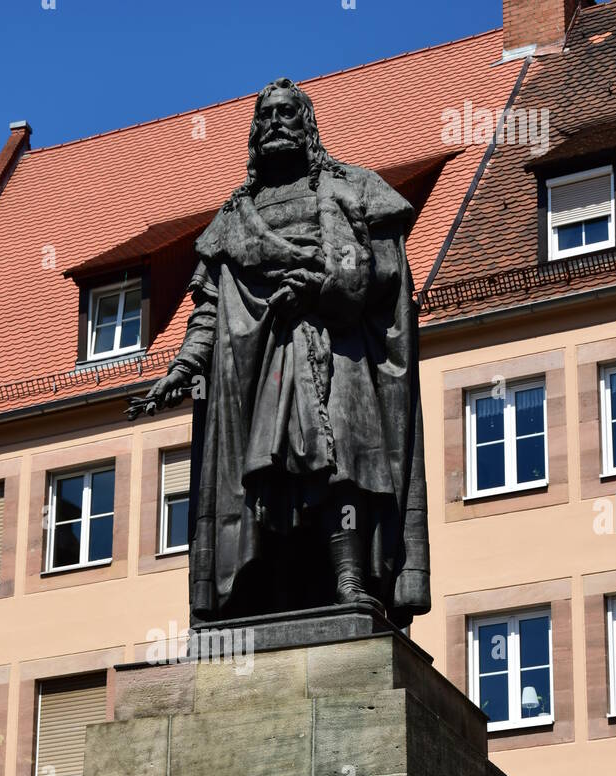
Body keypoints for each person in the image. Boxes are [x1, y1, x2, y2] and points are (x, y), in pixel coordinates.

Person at [131, 77, 430, 626]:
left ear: (308, 124)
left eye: (287, 113)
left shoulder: (354, 188)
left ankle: (348, 580)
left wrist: (324, 288)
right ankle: (276, 598)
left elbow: (387, 273)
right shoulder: (233, 218)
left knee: (343, 466)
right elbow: (209, 311)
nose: (275, 123)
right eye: (264, 115)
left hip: (339, 353)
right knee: (274, 479)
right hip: (264, 364)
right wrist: (183, 366)